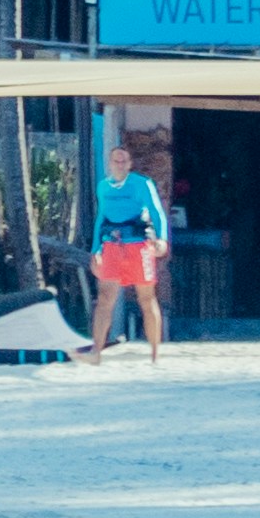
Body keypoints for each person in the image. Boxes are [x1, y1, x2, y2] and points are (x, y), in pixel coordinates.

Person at [84, 143, 172, 361]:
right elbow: (101, 218)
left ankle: (154, 354)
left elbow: (157, 212)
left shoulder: (142, 184)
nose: (120, 164)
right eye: (116, 160)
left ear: (130, 164)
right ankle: (96, 351)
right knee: (105, 298)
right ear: (110, 163)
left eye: (124, 160)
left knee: (146, 298)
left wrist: (162, 239)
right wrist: (96, 249)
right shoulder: (103, 187)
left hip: (138, 246)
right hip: (112, 246)